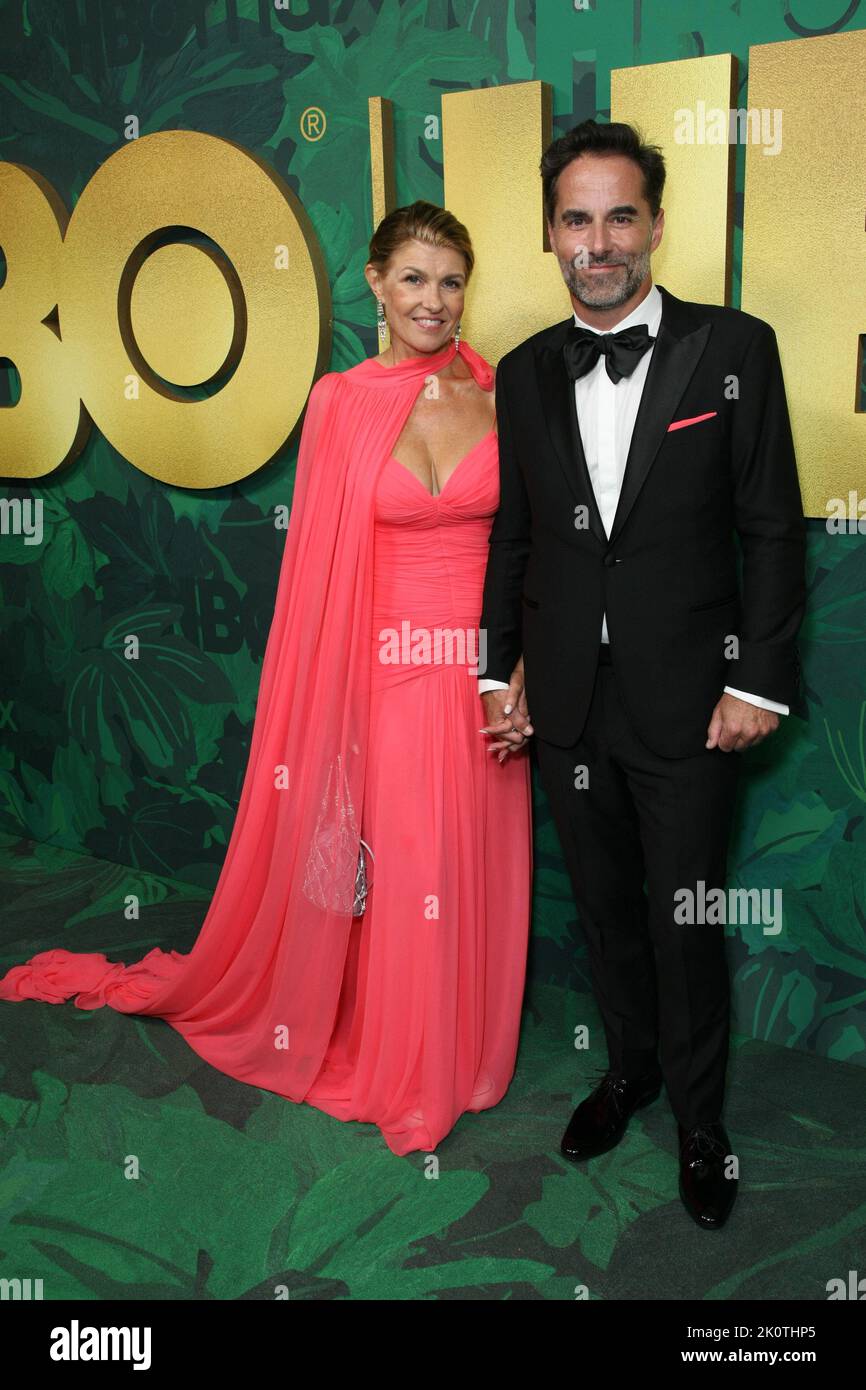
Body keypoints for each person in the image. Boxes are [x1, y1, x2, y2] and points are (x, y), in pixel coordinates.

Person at [0, 202, 533, 1158]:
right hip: (386, 675)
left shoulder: (501, 396)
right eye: (413, 279)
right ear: (375, 283)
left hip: (483, 674)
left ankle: (464, 1049)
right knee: (407, 865)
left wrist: (517, 666)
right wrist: (336, 705)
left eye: (451, 281)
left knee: (467, 859)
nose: (434, 301)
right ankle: (407, 1066)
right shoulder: (340, 400)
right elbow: (319, 572)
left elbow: (528, 551)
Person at [477, 120, 806, 1227]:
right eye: (576, 217)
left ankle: (701, 1121)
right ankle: (628, 1075)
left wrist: (755, 680)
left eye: (620, 214)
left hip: (688, 696)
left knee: (684, 914)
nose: (598, 239)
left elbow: (767, 527)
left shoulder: (733, 348)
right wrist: (494, 671)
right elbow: (513, 539)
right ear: (549, 233)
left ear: (655, 224)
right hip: (566, 698)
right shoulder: (523, 373)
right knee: (608, 911)